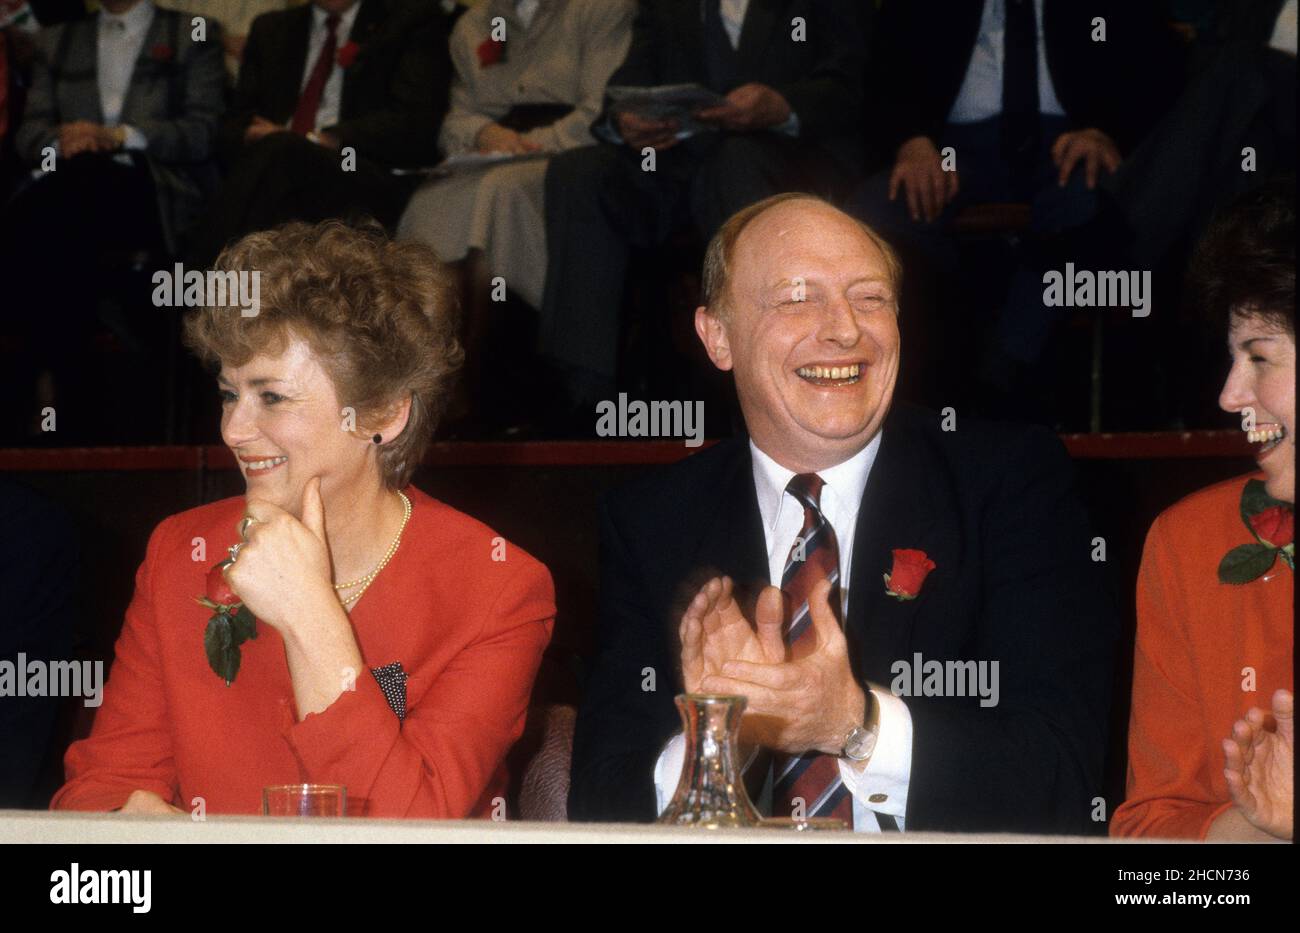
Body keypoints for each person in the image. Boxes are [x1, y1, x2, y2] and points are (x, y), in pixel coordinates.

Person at [569, 193, 1118, 833]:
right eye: (799, 298)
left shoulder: (1008, 484)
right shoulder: (651, 523)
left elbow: (1067, 781)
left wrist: (857, 727)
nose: (844, 329)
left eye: (870, 298)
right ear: (717, 337)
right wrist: (718, 741)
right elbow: (600, 809)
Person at [51, 220, 556, 817]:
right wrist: (125, 819)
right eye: (228, 393)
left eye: (272, 397)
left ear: (384, 413)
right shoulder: (181, 551)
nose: (234, 431)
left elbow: (413, 827)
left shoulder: (495, 589)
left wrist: (310, 615)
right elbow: (98, 786)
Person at [537, 0, 868, 421]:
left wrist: (783, 106)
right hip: (681, 159)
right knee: (578, 173)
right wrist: (625, 120)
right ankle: (584, 392)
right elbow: (626, 87)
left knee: (734, 163)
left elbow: (854, 84)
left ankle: (758, 386)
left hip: (793, 156)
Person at [850, 0, 1182, 409]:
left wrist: (1105, 131)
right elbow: (882, 74)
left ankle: (1006, 367)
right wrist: (910, 140)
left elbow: (1159, 67)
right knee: (874, 215)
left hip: (1070, 147)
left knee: (1093, 207)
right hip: (951, 153)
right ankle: (930, 380)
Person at [1111, 178, 1293, 841]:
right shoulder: (1192, 543)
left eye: (1260, 357)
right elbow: (1151, 858)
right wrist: (1266, 829)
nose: (1228, 393)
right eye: (1231, 356)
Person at [397, 0, 633, 313]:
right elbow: (456, 120)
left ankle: (497, 335)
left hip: (571, 156)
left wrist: (529, 144)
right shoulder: (474, 24)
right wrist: (482, 133)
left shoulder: (601, 9)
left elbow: (601, 113)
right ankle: (419, 333)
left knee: (500, 192)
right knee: (431, 197)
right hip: (495, 152)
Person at [187, 0, 455, 266]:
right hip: (275, 168)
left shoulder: (412, 21)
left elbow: (416, 122)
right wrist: (250, 134)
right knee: (274, 166)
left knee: (282, 153)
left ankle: (199, 280)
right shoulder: (272, 28)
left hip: (358, 166)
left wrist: (319, 139)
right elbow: (232, 125)